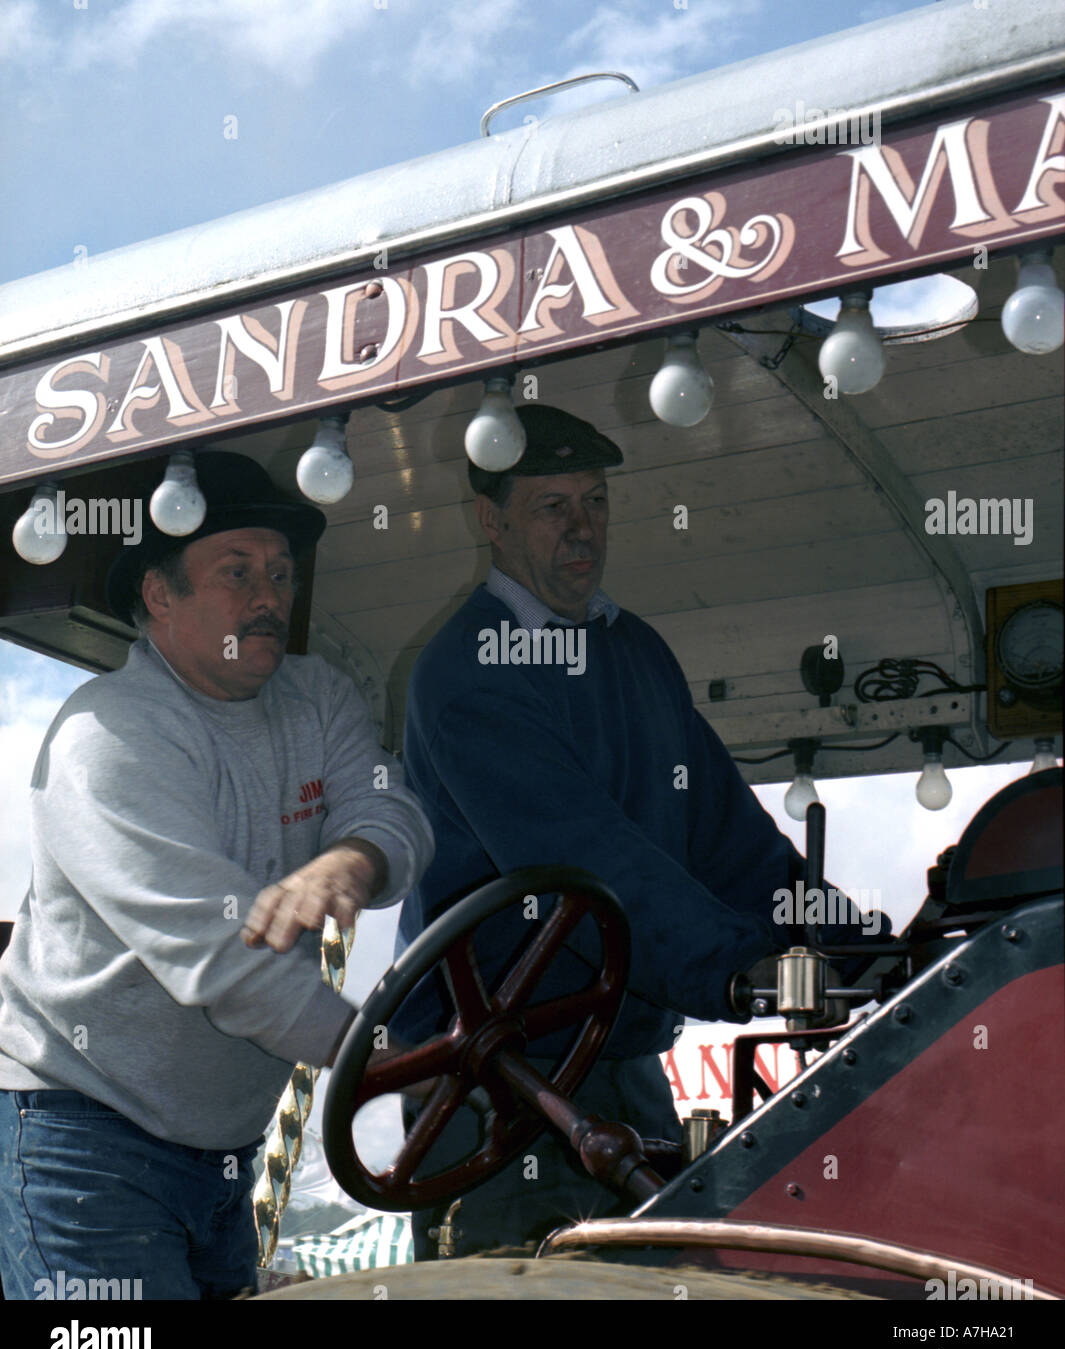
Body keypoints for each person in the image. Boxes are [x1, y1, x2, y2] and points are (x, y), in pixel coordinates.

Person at [394, 403, 888, 1258]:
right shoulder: (465, 671)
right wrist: (734, 972)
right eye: (552, 508)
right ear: (492, 521)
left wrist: (864, 949)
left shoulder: (637, 654)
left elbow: (731, 843)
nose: (581, 530)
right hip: (494, 1084)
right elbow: (581, 862)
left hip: (618, 1057)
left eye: (594, 503)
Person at [0, 452, 434, 1300]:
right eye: (237, 573)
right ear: (160, 595)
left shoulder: (319, 698)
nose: (270, 596)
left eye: (279, 572)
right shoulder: (108, 740)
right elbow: (225, 963)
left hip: (224, 1150)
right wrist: (395, 1061)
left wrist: (355, 858)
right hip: (80, 1137)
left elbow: (398, 812)